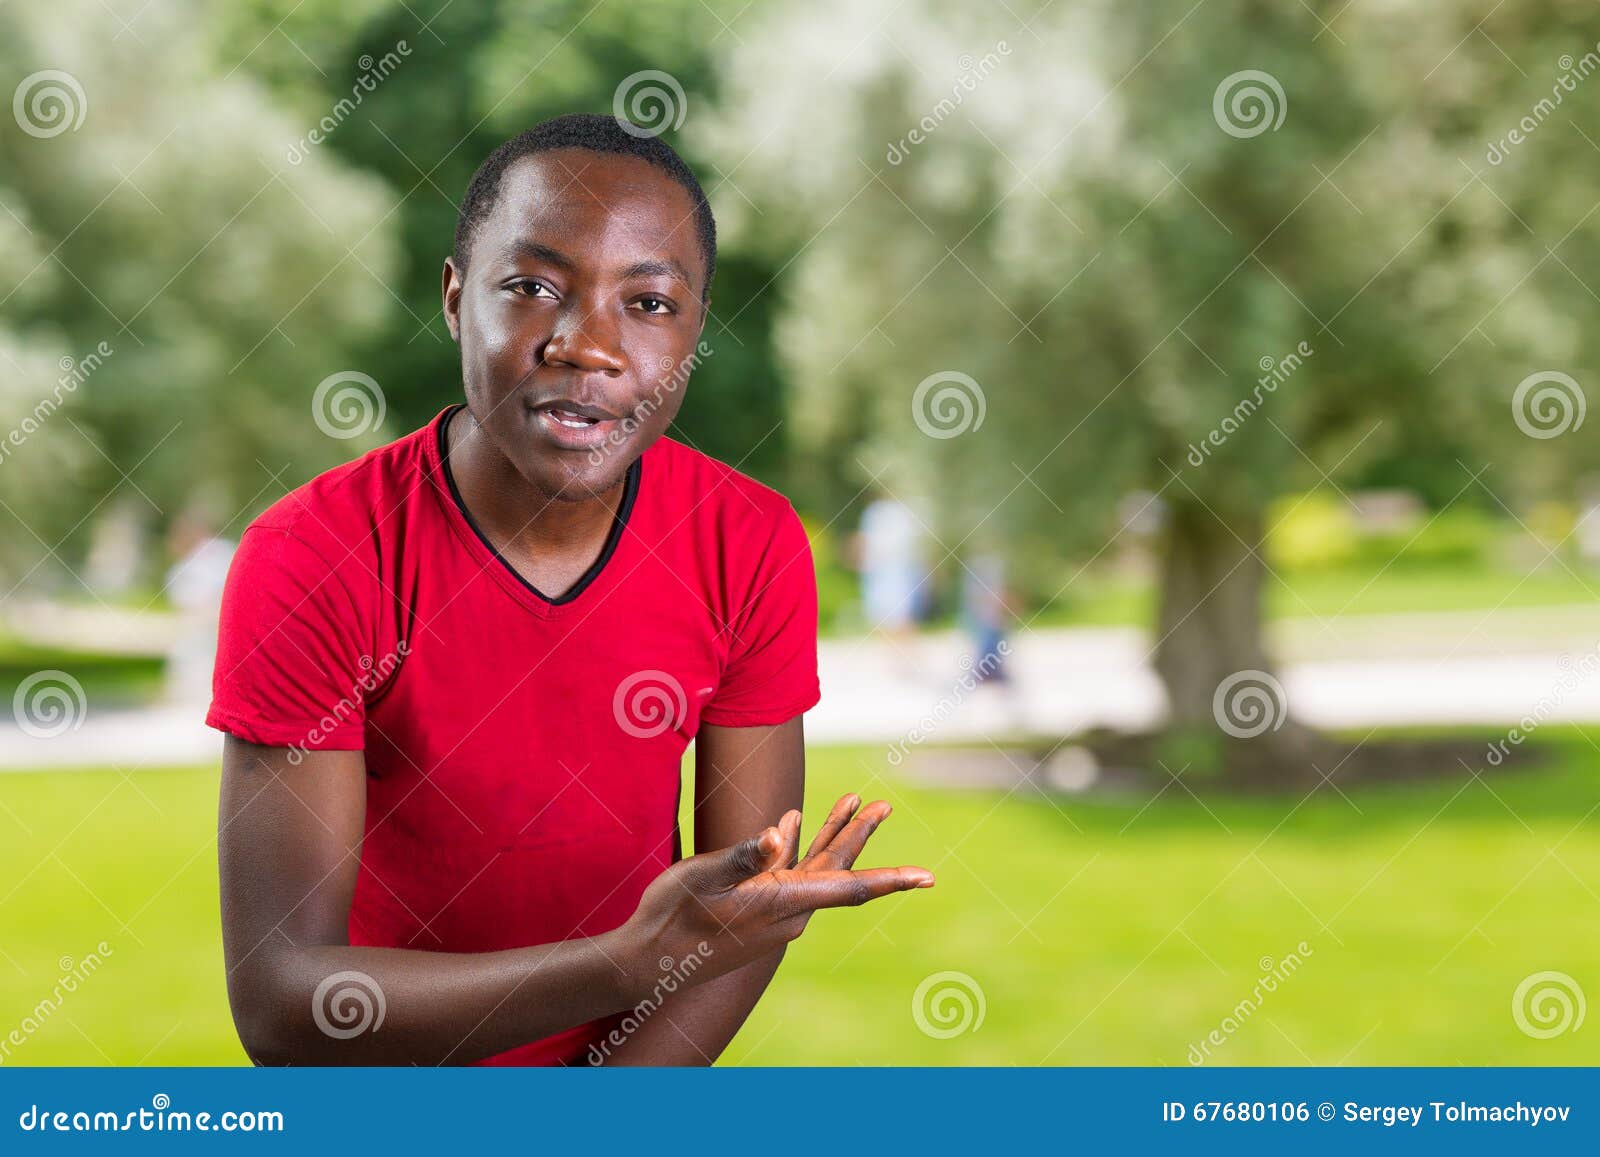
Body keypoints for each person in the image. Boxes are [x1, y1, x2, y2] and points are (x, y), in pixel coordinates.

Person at [209, 114, 932, 1067]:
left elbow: (730, 928)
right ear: (457, 298)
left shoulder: (746, 542)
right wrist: (626, 962)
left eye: (649, 304)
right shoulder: (314, 555)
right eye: (533, 288)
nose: (587, 345)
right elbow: (283, 1000)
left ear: (693, 335)